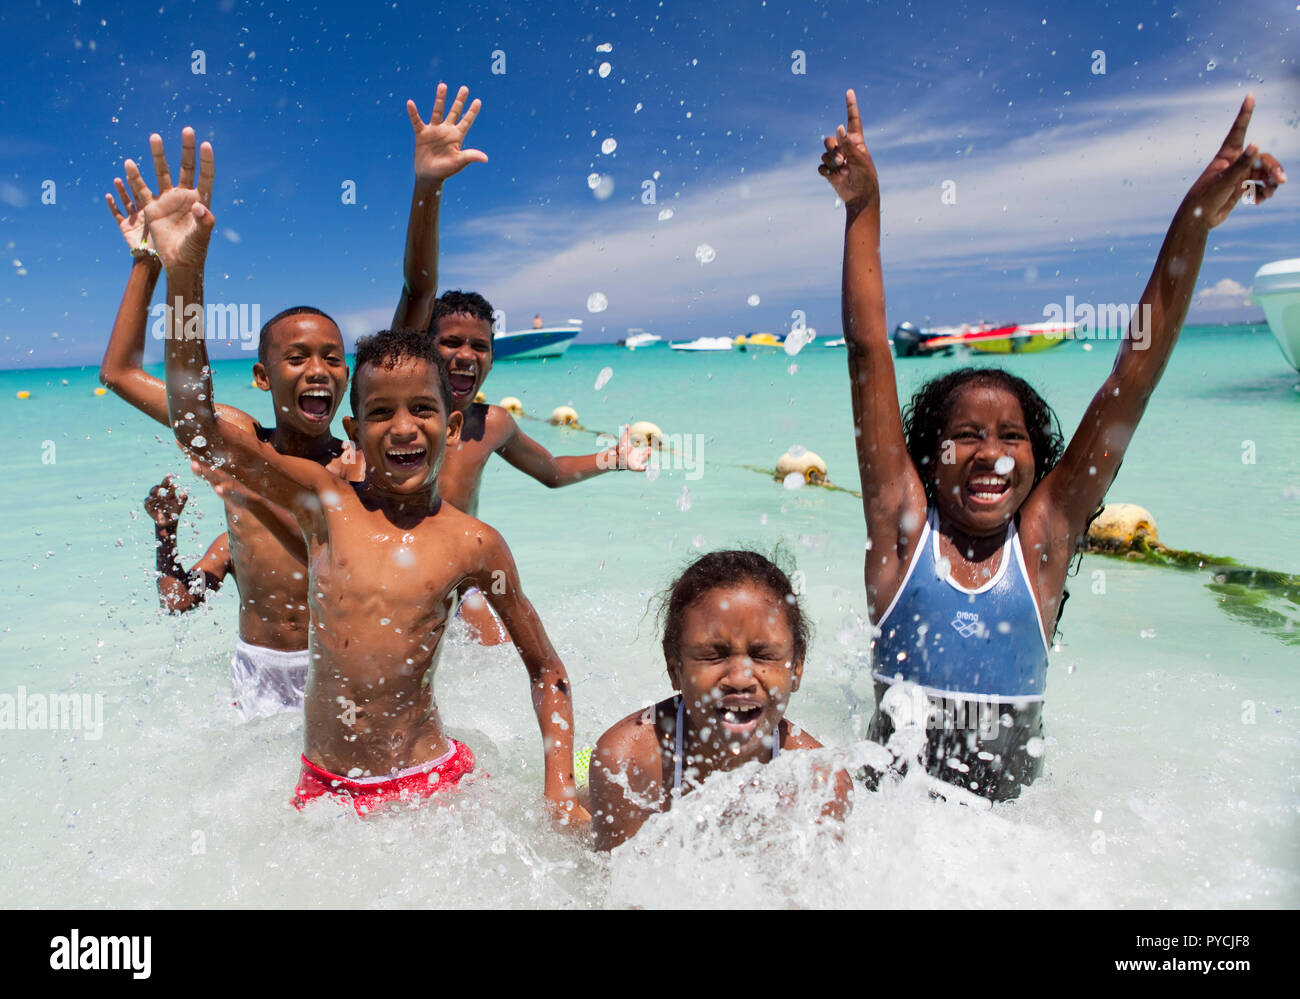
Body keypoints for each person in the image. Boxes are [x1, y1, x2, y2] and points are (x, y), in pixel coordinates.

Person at [821, 90, 1286, 800]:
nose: (993, 453)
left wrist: (1196, 219)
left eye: (1012, 436)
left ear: (1038, 460)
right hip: (890, 842)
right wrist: (862, 206)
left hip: (1016, 857)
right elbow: (866, 350)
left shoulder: (1042, 543)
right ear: (929, 455)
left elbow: (1135, 374)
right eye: (966, 436)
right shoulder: (901, 529)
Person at [136, 131, 587, 822]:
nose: (403, 428)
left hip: (431, 782)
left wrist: (559, 786)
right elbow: (196, 423)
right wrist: (184, 276)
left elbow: (547, 669)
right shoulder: (323, 501)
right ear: (352, 431)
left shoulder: (476, 544)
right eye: (379, 413)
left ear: (453, 420)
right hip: (320, 784)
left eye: (423, 411)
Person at [100, 129, 360, 720]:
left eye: (332, 358)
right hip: (259, 679)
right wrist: (157, 264)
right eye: (297, 359)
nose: (318, 369)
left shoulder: (363, 464)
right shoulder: (238, 446)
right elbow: (120, 373)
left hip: (344, 675)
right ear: (263, 378)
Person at [390, 97, 649, 642]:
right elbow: (419, 287)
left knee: (499, 652)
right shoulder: (400, 404)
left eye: (479, 346)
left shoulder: (492, 426)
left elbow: (552, 470)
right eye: (451, 342)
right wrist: (429, 188)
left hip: (458, 584)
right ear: (424, 345)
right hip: (391, 575)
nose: (465, 356)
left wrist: (616, 460)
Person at [589, 551, 852, 850]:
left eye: (763, 655)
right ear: (675, 667)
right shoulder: (629, 764)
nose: (740, 679)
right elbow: (614, 890)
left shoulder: (820, 783)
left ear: (797, 667)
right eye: (714, 655)